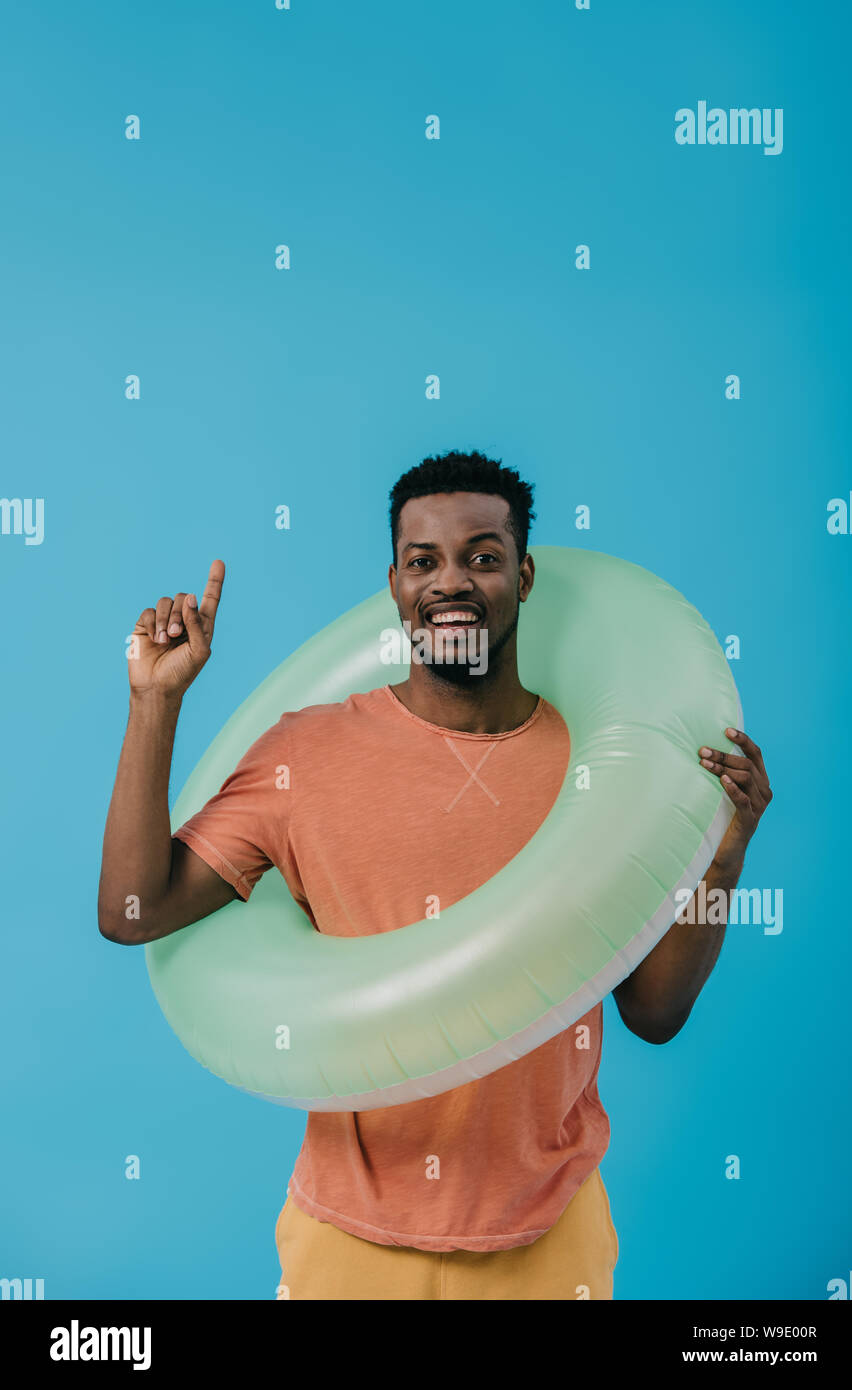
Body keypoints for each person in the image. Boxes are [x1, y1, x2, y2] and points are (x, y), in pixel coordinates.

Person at [97, 450, 773, 1301]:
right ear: (393, 582)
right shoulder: (305, 753)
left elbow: (654, 1013)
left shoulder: (596, 768)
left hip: (546, 1238)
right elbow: (131, 909)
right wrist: (153, 702)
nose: (449, 581)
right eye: (423, 561)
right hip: (348, 1241)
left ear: (523, 576)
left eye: (481, 557)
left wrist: (720, 854)